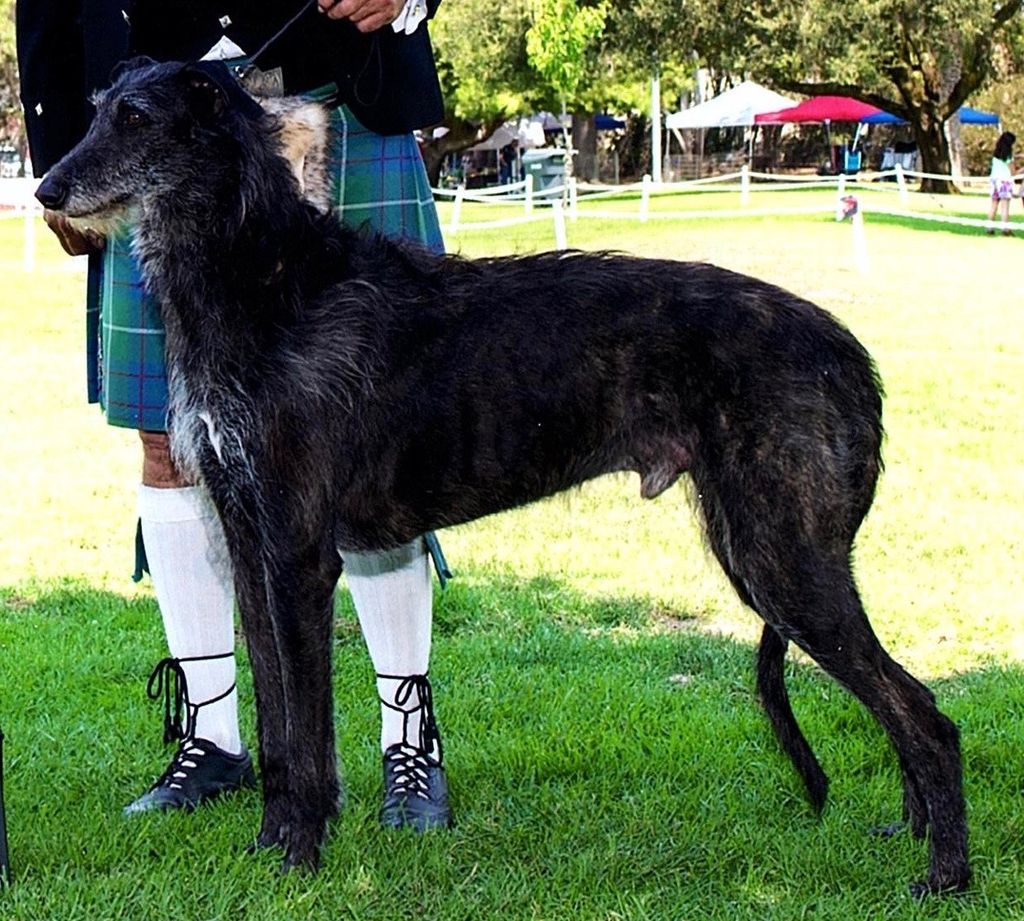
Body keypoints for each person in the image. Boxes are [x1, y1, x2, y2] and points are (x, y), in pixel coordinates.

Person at [17, 0, 453, 832]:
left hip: (339, 85)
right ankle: (212, 737)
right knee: (168, 438)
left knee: (375, 440)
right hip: (155, 123)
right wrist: (66, 148)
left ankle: (408, 740)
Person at [986, 130, 1016, 236]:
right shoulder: (1008, 156)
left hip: (994, 181)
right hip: (1004, 182)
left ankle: (989, 228)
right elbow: (1013, 172)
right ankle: (1005, 229)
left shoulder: (996, 154)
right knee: (1005, 206)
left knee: (993, 205)